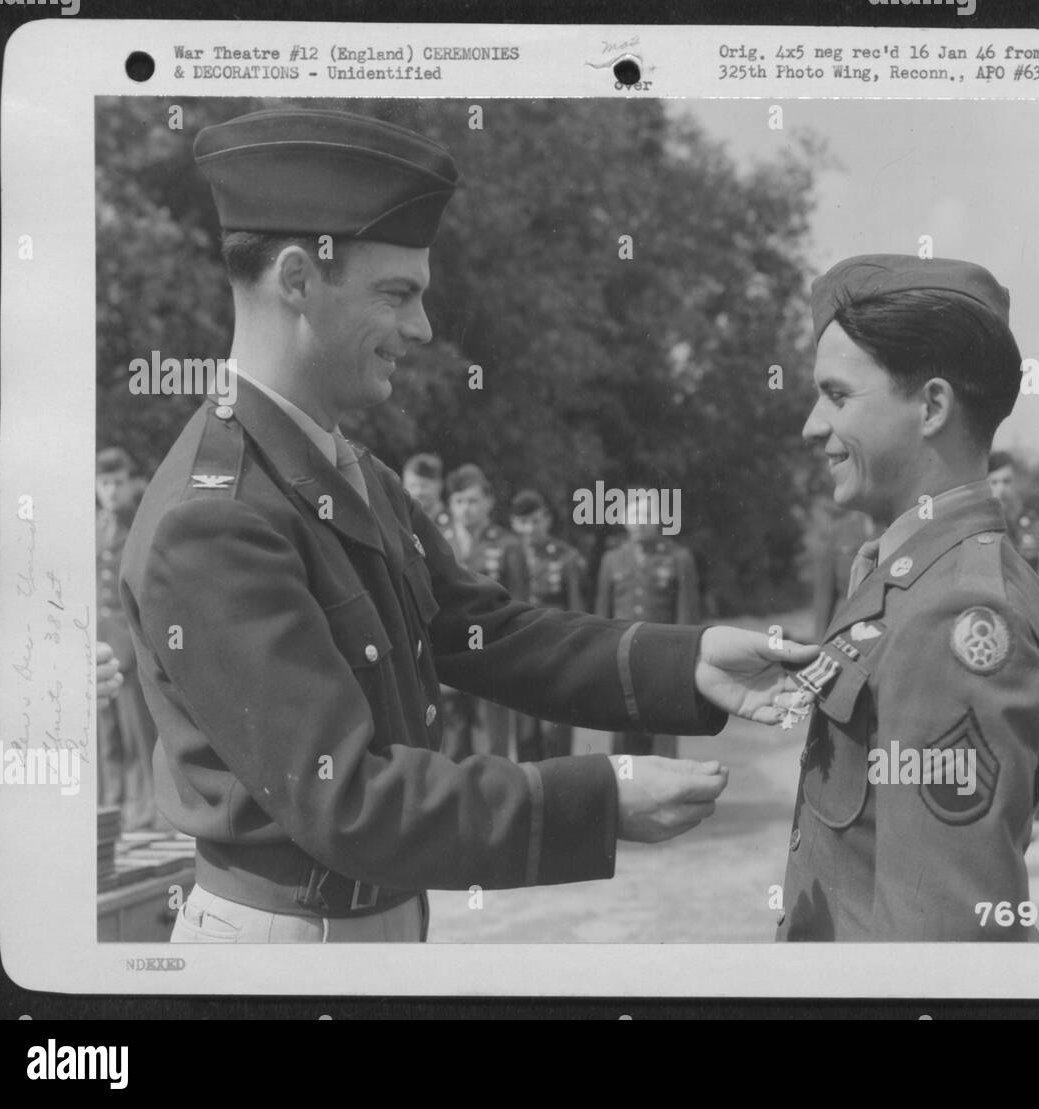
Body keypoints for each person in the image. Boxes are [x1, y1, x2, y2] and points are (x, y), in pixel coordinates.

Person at [120, 106, 814, 943]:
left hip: (372, 924)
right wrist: (600, 795)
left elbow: (483, 628)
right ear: (299, 280)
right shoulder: (214, 521)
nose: (423, 327)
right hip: (291, 946)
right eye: (398, 294)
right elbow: (350, 798)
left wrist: (688, 659)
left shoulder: (341, 468)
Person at [775, 254, 1039, 942]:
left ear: (932, 406)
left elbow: (943, 948)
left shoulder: (953, 615)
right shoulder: (910, 571)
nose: (812, 427)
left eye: (837, 395)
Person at [595, 492, 702, 759]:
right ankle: (627, 791)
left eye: (646, 516)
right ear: (623, 521)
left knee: (663, 727)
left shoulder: (678, 557)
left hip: (664, 658)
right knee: (623, 729)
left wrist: (685, 660)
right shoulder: (611, 560)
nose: (640, 523)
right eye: (634, 517)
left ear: (658, 521)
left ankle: (666, 794)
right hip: (622, 655)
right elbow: (602, 613)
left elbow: (686, 615)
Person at [437, 463, 528, 760]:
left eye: (473, 501)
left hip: (492, 655)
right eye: (460, 501)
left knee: (492, 747)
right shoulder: (437, 541)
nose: (466, 509)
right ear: (450, 504)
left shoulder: (508, 545)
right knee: (451, 746)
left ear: (489, 502)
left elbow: (520, 603)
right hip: (449, 655)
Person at [96, 447, 159, 831]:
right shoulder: (94, 527)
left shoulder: (142, 526)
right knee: (107, 733)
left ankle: (144, 809)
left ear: (131, 483)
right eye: (104, 484)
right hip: (100, 644)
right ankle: (111, 808)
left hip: (131, 645)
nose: (112, 492)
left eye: (118, 483)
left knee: (138, 733)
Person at [509, 489, 586, 762]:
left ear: (547, 520)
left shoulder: (566, 557)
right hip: (520, 652)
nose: (530, 529)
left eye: (536, 521)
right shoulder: (508, 554)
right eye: (524, 522)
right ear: (514, 523)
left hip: (556, 651)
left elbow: (577, 610)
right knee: (526, 733)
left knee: (556, 732)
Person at [811, 510, 874, 642]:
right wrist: (820, 642)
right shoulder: (840, 530)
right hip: (844, 627)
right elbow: (824, 595)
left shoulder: (896, 526)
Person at [987, 449, 1039, 570]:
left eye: (1006, 481)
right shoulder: (983, 523)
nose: (1001, 489)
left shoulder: (1031, 521)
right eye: (994, 482)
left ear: (1016, 481)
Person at [401, 452, 453, 540]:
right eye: (412, 486)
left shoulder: (456, 524)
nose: (418, 492)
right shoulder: (400, 523)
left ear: (439, 485)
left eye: (424, 486)